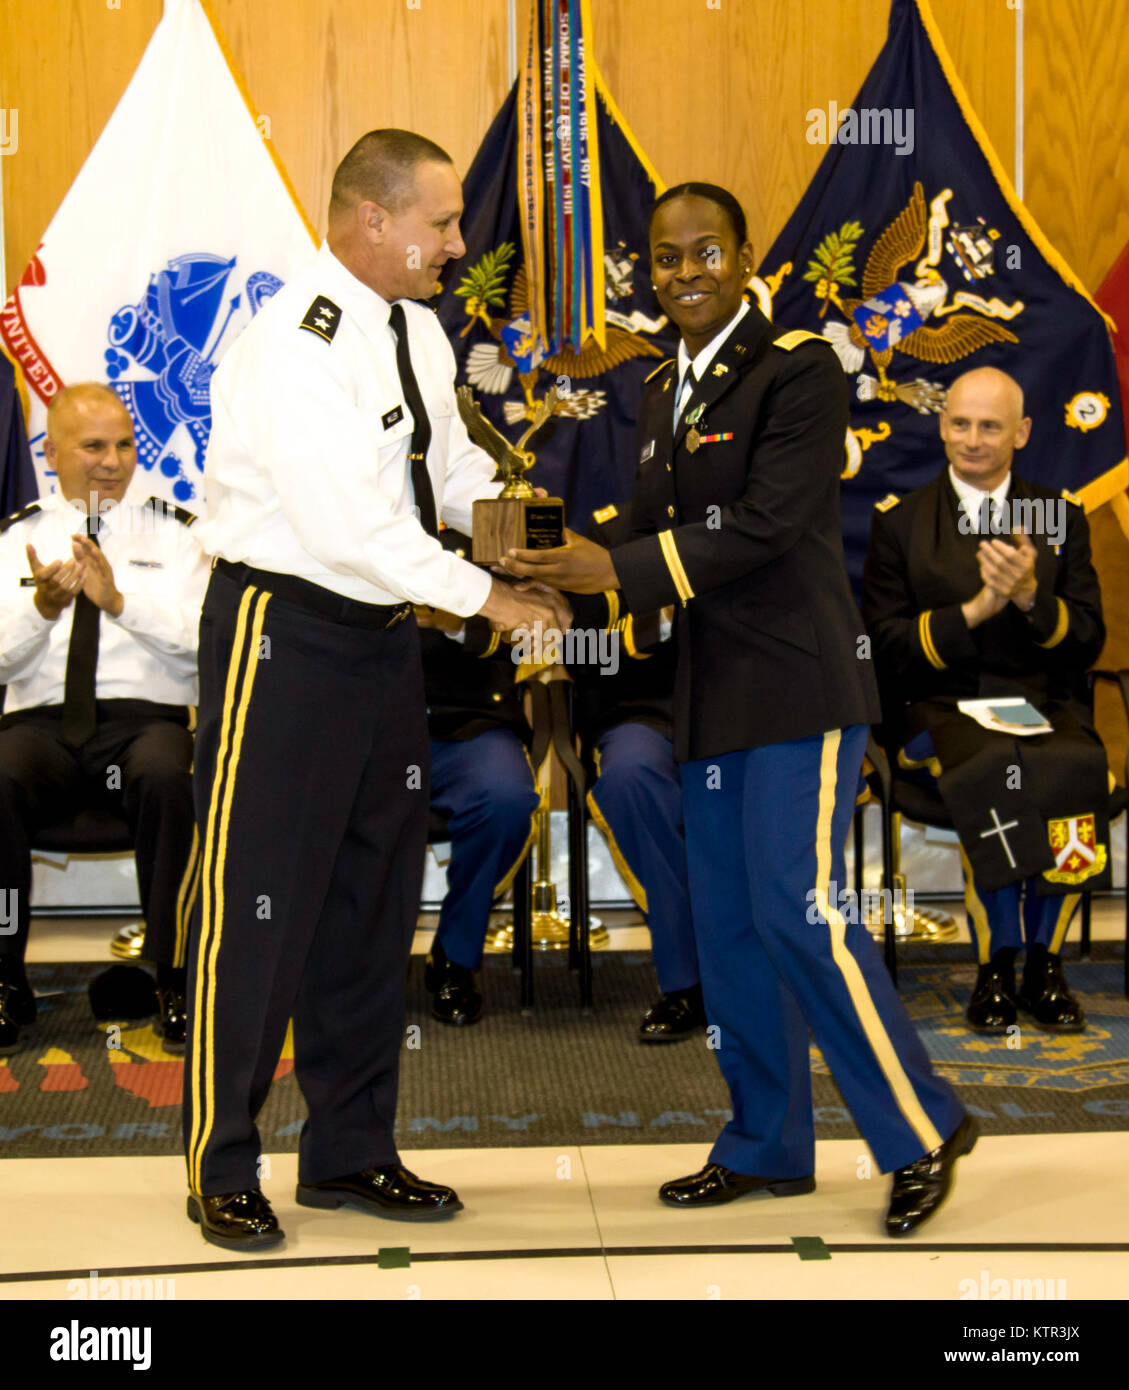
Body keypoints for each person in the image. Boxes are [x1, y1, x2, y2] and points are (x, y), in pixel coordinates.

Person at [501, 182, 973, 1237]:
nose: (683, 275)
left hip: (800, 688)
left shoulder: (797, 367)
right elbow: (662, 554)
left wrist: (609, 566)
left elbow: (763, 526)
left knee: (800, 914)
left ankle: (921, 1124)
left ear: (745, 253)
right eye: (664, 261)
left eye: (704, 253)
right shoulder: (663, 382)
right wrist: (562, 580)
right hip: (708, 694)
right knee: (730, 931)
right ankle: (764, 1142)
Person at [183, 129, 569, 1251]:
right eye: (442, 224)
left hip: (378, 639)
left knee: (370, 900)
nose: (458, 243)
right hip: (283, 632)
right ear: (373, 220)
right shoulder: (293, 343)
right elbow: (345, 526)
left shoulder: (414, 324)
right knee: (258, 905)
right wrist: (490, 601)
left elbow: (449, 472)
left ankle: (349, 1151)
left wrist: (547, 546)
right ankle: (220, 1161)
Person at [861, 367, 1106, 1035]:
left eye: (989, 426)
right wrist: (972, 610)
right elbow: (881, 648)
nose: (971, 439)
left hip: (1042, 706)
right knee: (997, 767)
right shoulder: (900, 524)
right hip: (939, 708)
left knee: (1069, 767)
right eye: (960, 423)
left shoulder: (1056, 516)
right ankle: (995, 962)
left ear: (1020, 433)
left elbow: (1086, 637)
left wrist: (1030, 597)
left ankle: (1043, 965)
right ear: (941, 426)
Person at [0, 382, 208, 1053]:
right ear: (53, 450)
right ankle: (5, 983)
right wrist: (41, 613)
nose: (112, 461)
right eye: (93, 446)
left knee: (166, 774)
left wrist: (119, 602)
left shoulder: (180, 535)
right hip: (40, 729)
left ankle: (175, 976)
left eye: (124, 445)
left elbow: (203, 649)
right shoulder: (17, 540)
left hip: (143, 724)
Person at [570, 504, 703, 1042]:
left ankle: (775, 970)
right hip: (641, 712)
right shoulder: (606, 537)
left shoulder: (755, 523)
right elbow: (582, 650)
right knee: (631, 779)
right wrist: (666, 617)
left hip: (744, 710)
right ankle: (688, 981)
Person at [416, 528, 538, 1025]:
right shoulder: (352, 494)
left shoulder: (482, 509)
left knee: (505, 798)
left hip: (467, 719)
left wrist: (456, 622)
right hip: (367, 721)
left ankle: (455, 955)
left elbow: (530, 624)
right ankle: (352, 964)